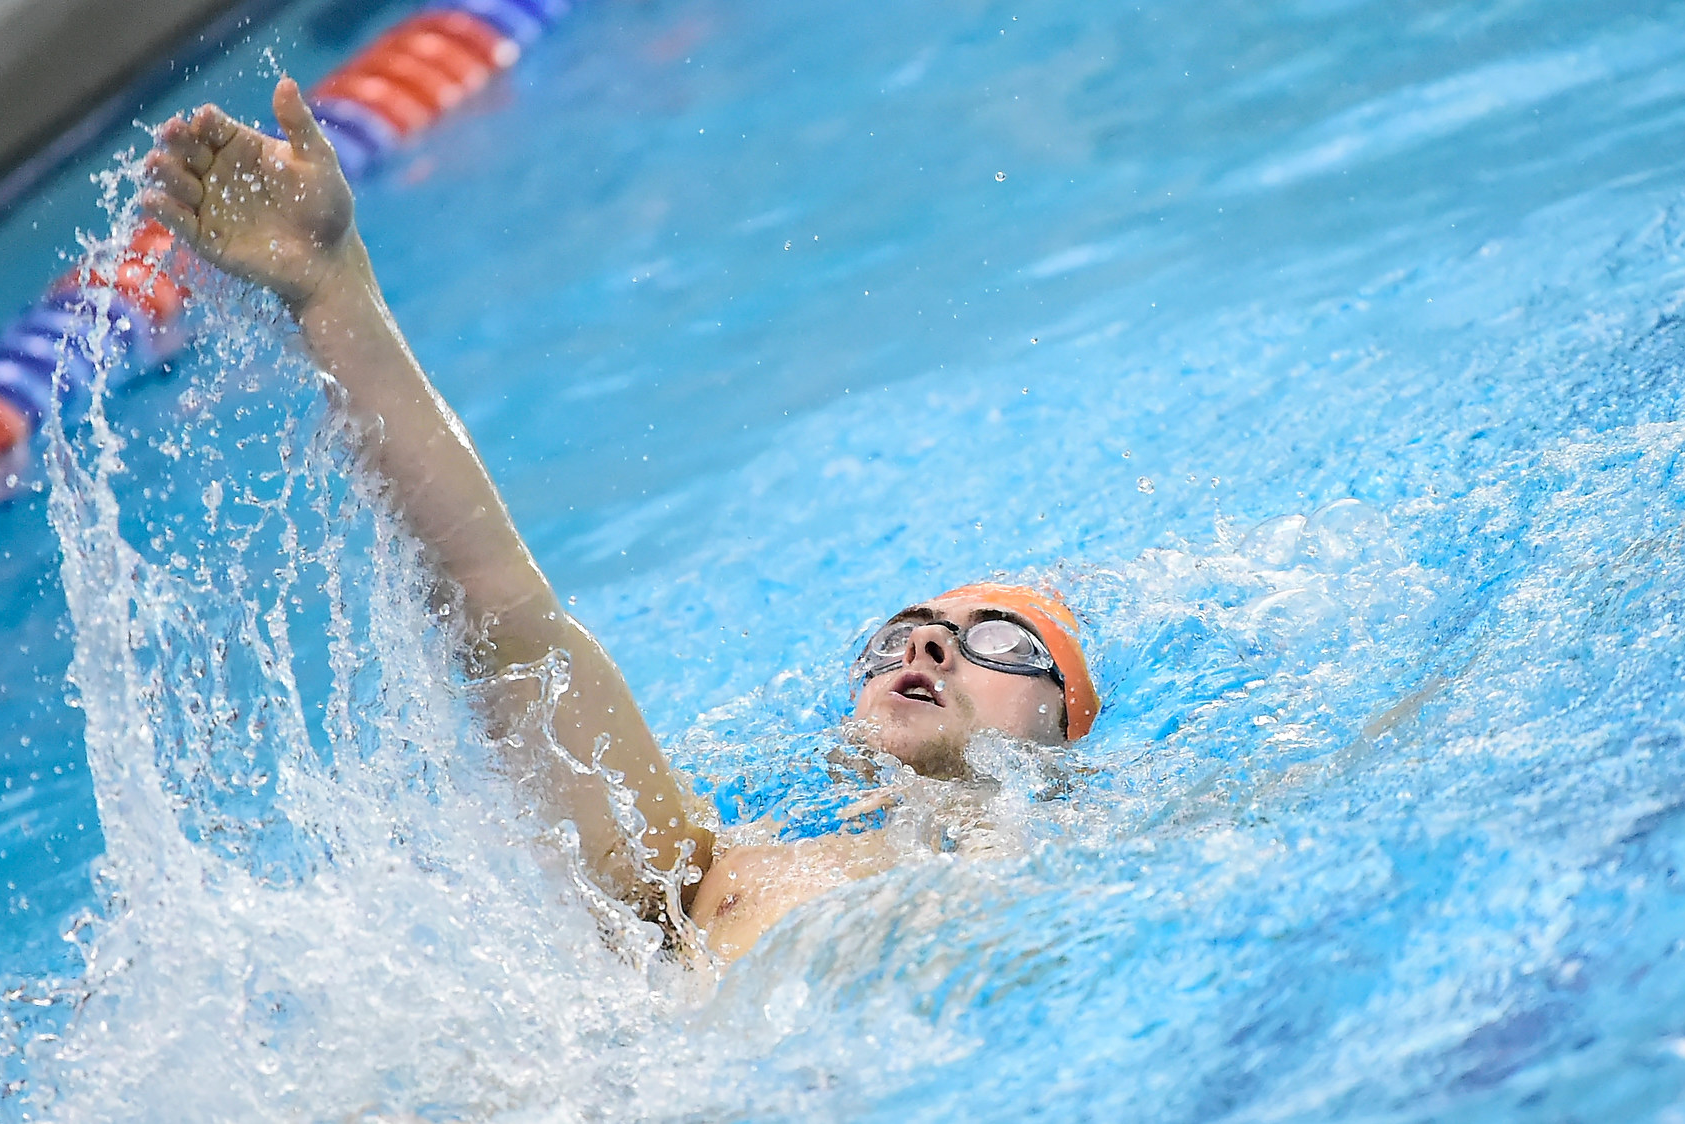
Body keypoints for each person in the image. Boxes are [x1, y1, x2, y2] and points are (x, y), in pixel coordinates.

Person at [142, 78, 1100, 962]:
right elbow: (509, 625)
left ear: (1067, 730)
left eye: (1004, 645)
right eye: (908, 635)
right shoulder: (694, 876)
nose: (925, 653)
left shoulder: (1094, 863)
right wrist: (328, 285)